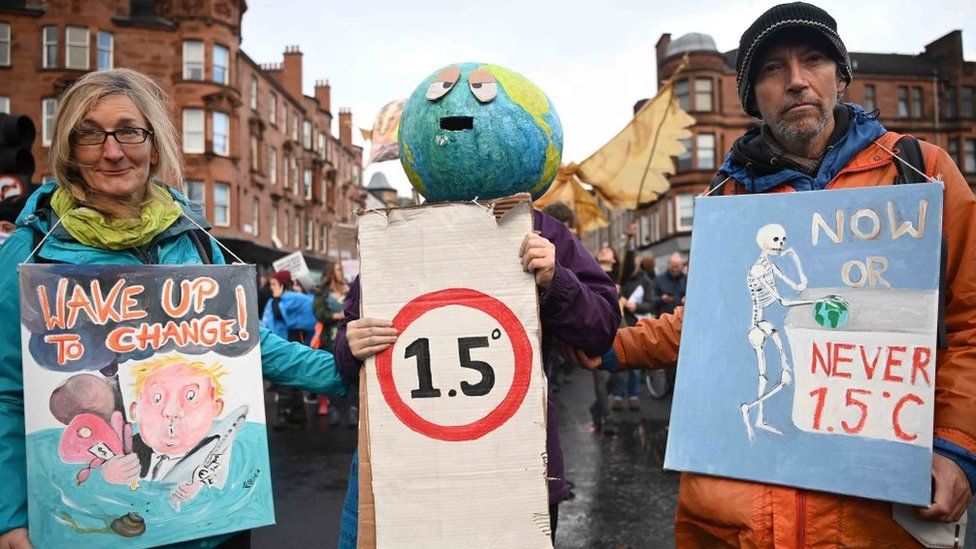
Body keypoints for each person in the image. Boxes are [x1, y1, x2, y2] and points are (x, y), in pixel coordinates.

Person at [577, 3, 976, 546]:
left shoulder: (918, 171)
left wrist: (956, 444)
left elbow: (971, 320)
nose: (795, 81)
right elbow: (711, 322)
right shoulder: (727, 197)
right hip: (739, 516)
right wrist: (610, 347)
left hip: (873, 512)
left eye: (813, 60)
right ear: (752, 97)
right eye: (771, 69)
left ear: (840, 76)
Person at [0, 68, 346, 549]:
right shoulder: (30, 252)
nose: (113, 150)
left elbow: (246, 343)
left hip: (210, 532)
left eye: (129, 131)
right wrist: (10, 515)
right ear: (69, 149)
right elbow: (7, 394)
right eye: (89, 134)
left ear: (154, 143)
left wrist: (347, 367)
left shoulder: (193, 239)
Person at [334, 204, 620, 548]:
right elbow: (347, 345)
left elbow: (602, 327)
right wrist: (349, 345)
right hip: (417, 476)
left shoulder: (541, 228)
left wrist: (556, 279)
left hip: (519, 471)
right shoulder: (398, 234)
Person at [261, 269, 318, 428]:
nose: (271, 287)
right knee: (290, 382)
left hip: (288, 343)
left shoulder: (291, 298)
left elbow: (281, 316)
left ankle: (284, 417)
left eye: (274, 284)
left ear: (282, 284)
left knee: (285, 382)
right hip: (283, 343)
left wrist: (278, 300)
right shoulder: (276, 299)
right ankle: (299, 417)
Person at [652, 252, 686, 317]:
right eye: (673, 267)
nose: (675, 270)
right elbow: (651, 299)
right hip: (664, 320)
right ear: (668, 264)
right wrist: (661, 299)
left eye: (677, 267)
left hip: (682, 319)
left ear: (682, 265)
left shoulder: (687, 280)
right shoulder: (658, 280)